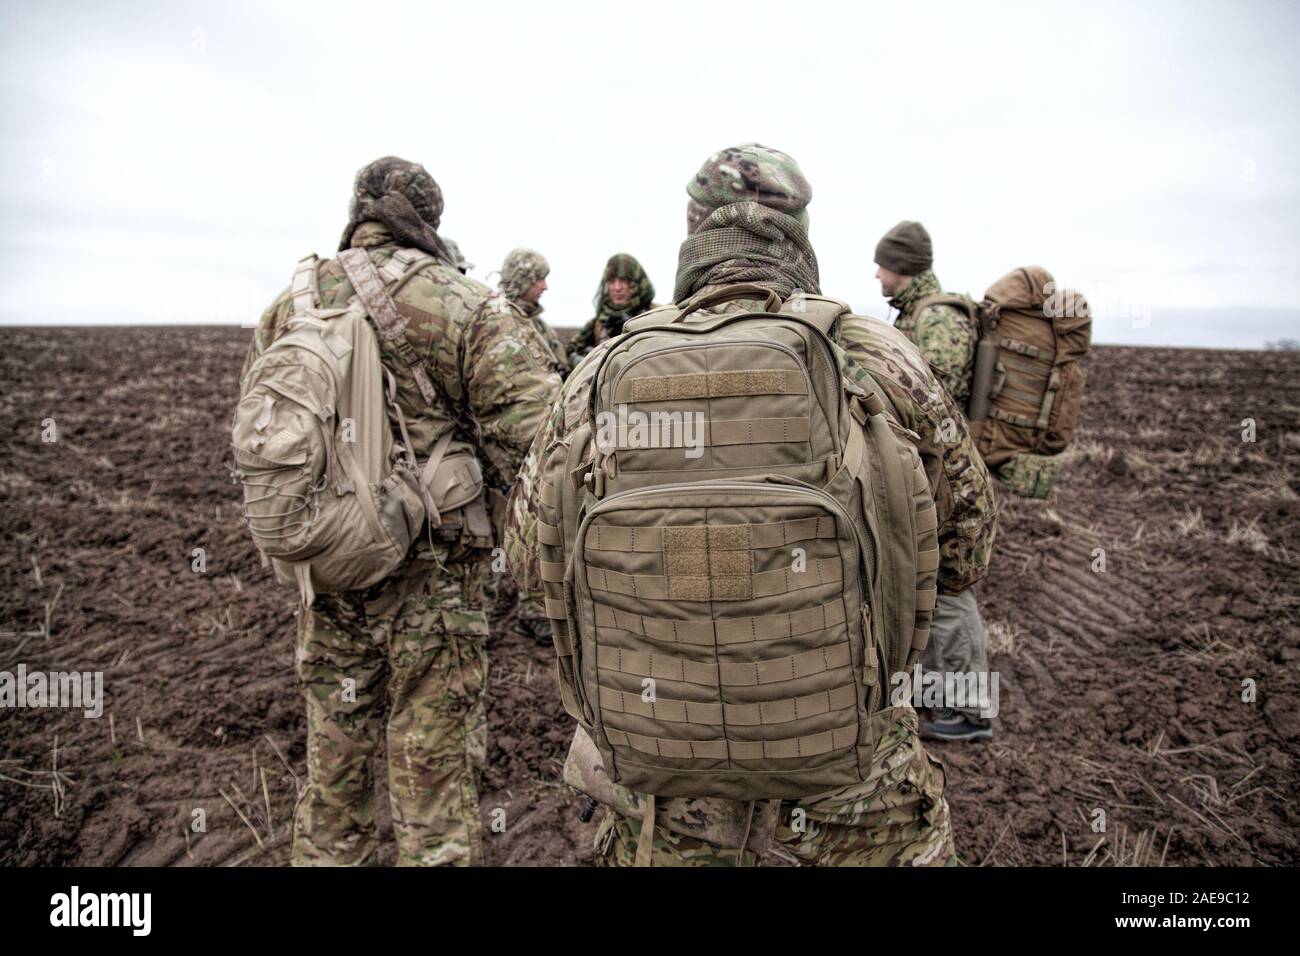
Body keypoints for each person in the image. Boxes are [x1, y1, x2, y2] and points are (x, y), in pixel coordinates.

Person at [505, 143, 998, 865]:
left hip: (662, 789)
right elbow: (965, 552)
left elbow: (528, 565)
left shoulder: (601, 373)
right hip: (854, 795)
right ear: (800, 230)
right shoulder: (877, 357)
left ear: (692, 227)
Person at [242, 156, 562, 865]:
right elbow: (539, 440)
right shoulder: (465, 304)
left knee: (334, 756)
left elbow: (263, 431)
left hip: (327, 568)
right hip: (434, 577)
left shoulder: (290, 303)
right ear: (428, 220)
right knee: (432, 766)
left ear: (358, 213)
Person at [873, 222, 996, 741]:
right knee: (926, 584)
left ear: (900, 266)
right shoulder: (918, 317)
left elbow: (928, 399)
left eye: (881, 263)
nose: (876, 273)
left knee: (949, 588)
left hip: (949, 478)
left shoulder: (938, 320)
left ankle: (969, 712)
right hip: (933, 474)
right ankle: (938, 698)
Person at [565, 253, 655, 365]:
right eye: (611, 281)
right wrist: (589, 364)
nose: (617, 288)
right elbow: (570, 351)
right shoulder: (599, 323)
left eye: (623, 280)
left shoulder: (656, 314)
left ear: (635, 283)